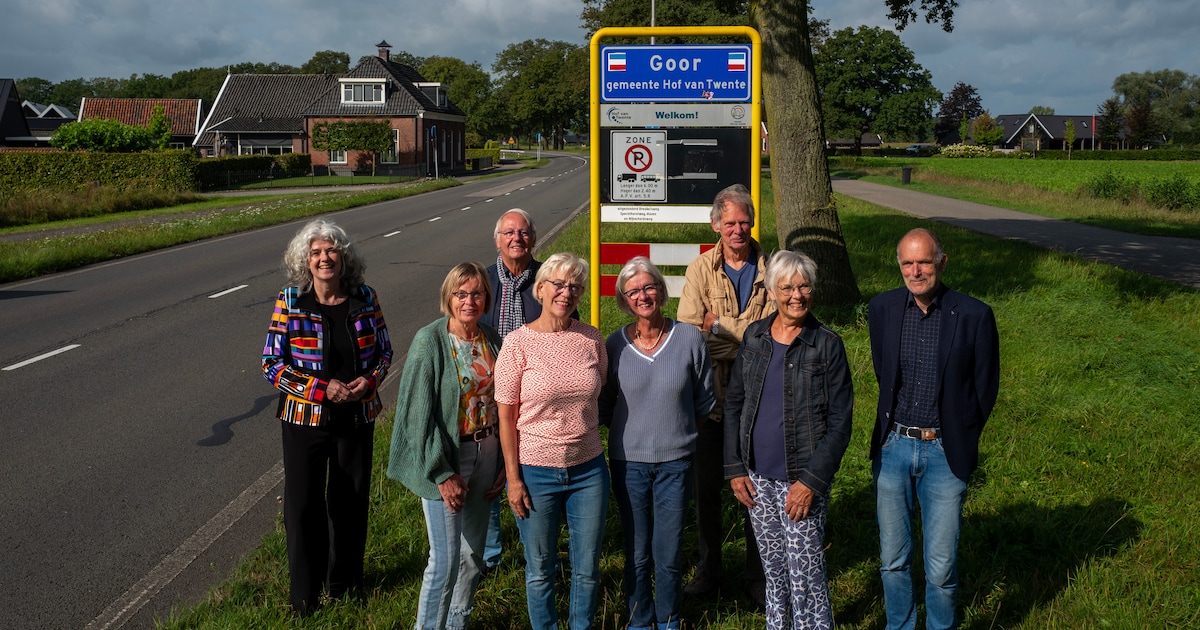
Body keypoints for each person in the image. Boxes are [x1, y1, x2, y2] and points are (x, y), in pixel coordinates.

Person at [868, 228, 1000, 630]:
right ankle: (900, 625)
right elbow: (883, 374)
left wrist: (959, 436)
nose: (915, 270)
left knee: (941, 568)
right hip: (894, 448)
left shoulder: (974, 315)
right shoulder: (883, 309)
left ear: (942, 262)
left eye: (923, 261)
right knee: (893, 560)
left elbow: (985, 388)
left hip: (944, 452)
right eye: (907, 263)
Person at [261, 218, 392, 616]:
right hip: (304, 421)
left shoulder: (365, 297)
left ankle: (346, 586)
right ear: (305, 260)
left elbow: (385, 352)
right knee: (302, 506)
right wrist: (321, 389)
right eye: (315, 252)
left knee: (350, 502)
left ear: (344, 256)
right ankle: (305, 596)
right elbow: (272, 364)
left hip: (356, 416)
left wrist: (369, 383)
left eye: (331, 250)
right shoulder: (290, 300)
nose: (324, 258)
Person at [724, 250, 854, 629]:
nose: (797, 295)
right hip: (757, 480)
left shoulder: (826, 344)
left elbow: (840, 422)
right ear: (771, 290)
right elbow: (735, 403)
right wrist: (735, 468)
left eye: (804, 286)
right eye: (787, 288)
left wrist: (811, 483)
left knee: (806, 577)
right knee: (774, 572)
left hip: (801, 481)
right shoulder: (755, 336)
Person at [493, 252, 609, 630]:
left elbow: (598, 391)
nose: (567, 292)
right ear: (540, 289)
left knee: (587, 567)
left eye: (575, 286)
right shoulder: (516, 344)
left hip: (588, 469)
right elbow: (506, 419)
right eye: (558, 284)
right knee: (540, 568)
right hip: (535, 471)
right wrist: (513, 479)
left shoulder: (591, 338)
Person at [386, 262, 505, 630]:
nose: (469, 300)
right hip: (448, 457)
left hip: (489, 454)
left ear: (487, 298)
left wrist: (505, 465)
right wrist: (441, 472)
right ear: (448, 298)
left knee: (473, 557)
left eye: (477, 293)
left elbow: (504, 403)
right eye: (461, 293)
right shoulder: (430, 340)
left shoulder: (491, 337)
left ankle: (457, 624)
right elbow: (416, 414)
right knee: (445, 561)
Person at [600, 257, 715, 630]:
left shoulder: (689, 338)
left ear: (661, 292)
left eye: (649, 287)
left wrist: (676, 433)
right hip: (628, 462)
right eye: (633, 291)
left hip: (676, 462)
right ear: (624, 300)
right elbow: (605, 404)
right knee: (635, 551)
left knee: (668, 551)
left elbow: (704, 400)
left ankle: (668, 619)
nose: (642, 296)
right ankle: (639, 620)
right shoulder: (614, 345)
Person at [677, 183, 775, 603]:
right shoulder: (699, 269)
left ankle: (758, 576)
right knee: (706, 493)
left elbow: (774, 336)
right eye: (730, 222)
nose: (738, 229)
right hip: (710, 402)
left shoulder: (774, 269)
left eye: (744, 222)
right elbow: (688, 333)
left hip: (760, 402)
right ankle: (709, 570)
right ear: (715, 225)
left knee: (757, 491)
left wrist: (718, 326)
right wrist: (745, 336)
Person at [478, 208, 541, 571]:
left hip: (535, 394)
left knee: (526, 469)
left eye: (523, 232)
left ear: (532, 237)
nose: (516, 238)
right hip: (487, 393)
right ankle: (489, 557)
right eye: (508, 233)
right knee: (488, 471)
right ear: (497, 240)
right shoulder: (483, 282)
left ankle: (534, 547)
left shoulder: (548, 279)